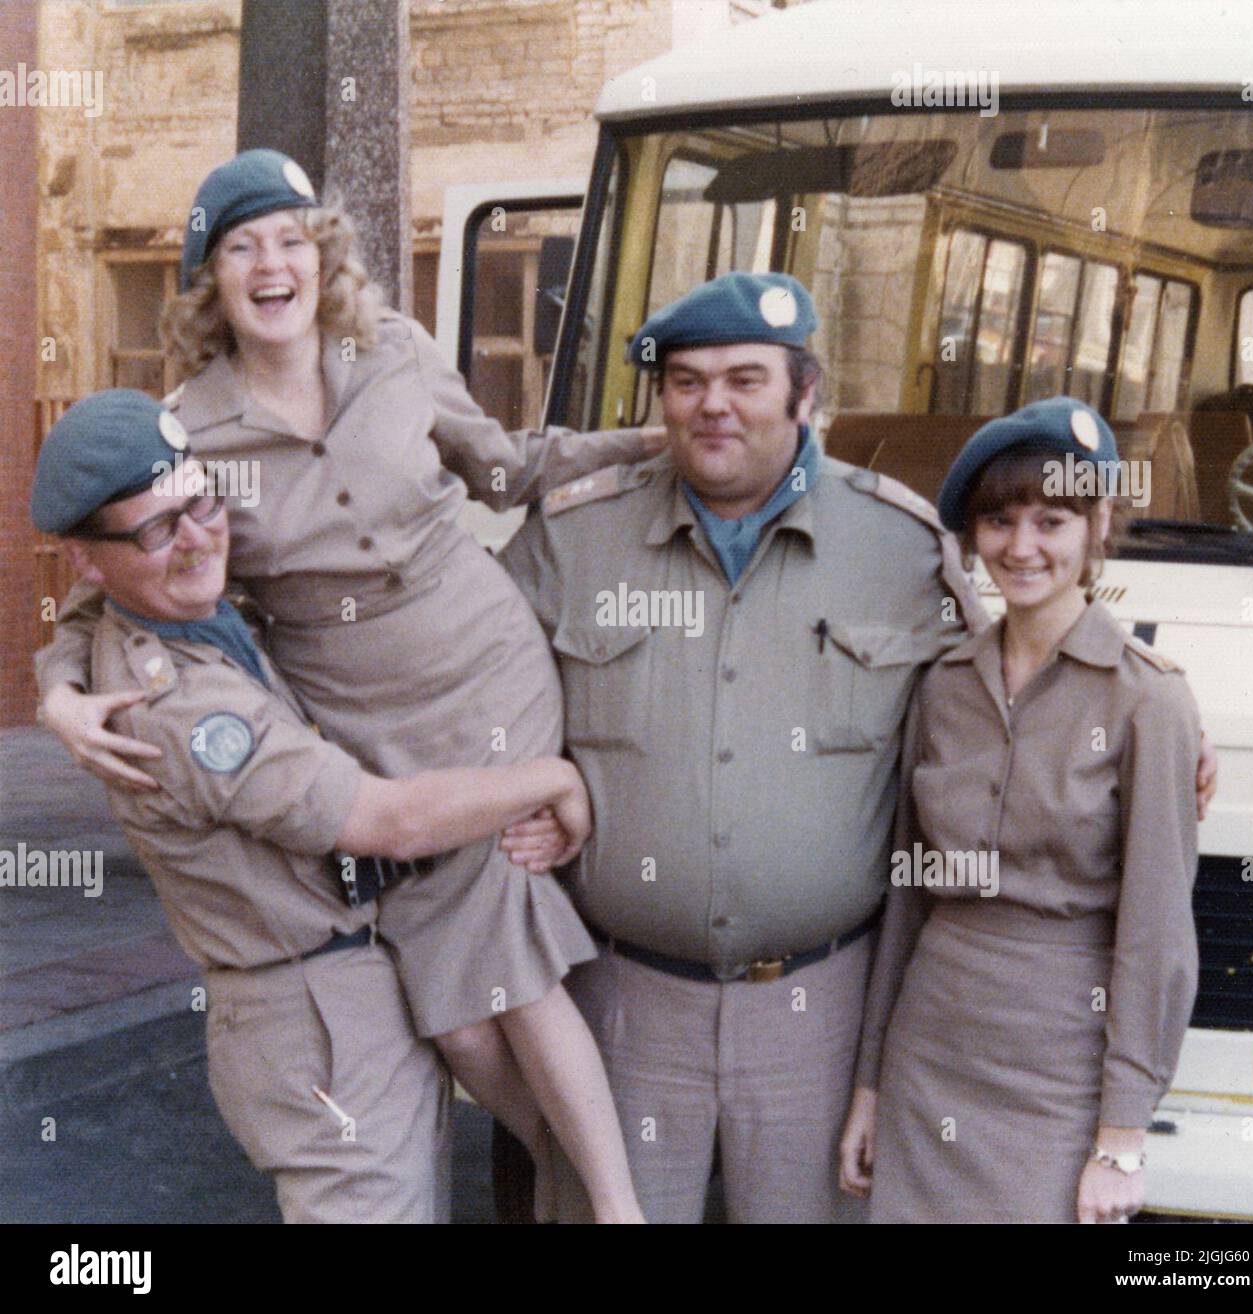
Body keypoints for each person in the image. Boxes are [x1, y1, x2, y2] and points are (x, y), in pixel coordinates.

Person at [34, 150, 657, 1223]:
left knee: (493, 944)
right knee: (458, 1019)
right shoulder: (191, 421)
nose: (271, 264)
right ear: (211, 282)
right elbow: (117, 566)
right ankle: (575, 1175)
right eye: (241, 247)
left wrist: (654, 443)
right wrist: (54, 693)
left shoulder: (397, 353)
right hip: (365, 730)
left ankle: (608, 1203)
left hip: (484, 675)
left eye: (290, 239)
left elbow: (503, 467)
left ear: (320, 257)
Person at [499, 271, 988, 1223]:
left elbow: (1002, 705)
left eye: (745, 379)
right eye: (686, 381)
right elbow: (458, 685)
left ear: (805, 394)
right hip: (619, 1002)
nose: (712, 404)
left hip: (821, 1014)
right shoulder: (574, 539)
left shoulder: (901, 548)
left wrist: (1146, 716)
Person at [839, 399, 1201, 1224]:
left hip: (1059, 1076)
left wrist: (1120, 1138)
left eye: (1052, 519)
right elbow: (906, 901)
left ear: (1098, 522)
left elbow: (1156, 933)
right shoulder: (943, 686)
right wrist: (869, 1085)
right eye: (999, 521)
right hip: (929, 1057)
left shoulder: (1151, 700)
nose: (1023, 546)